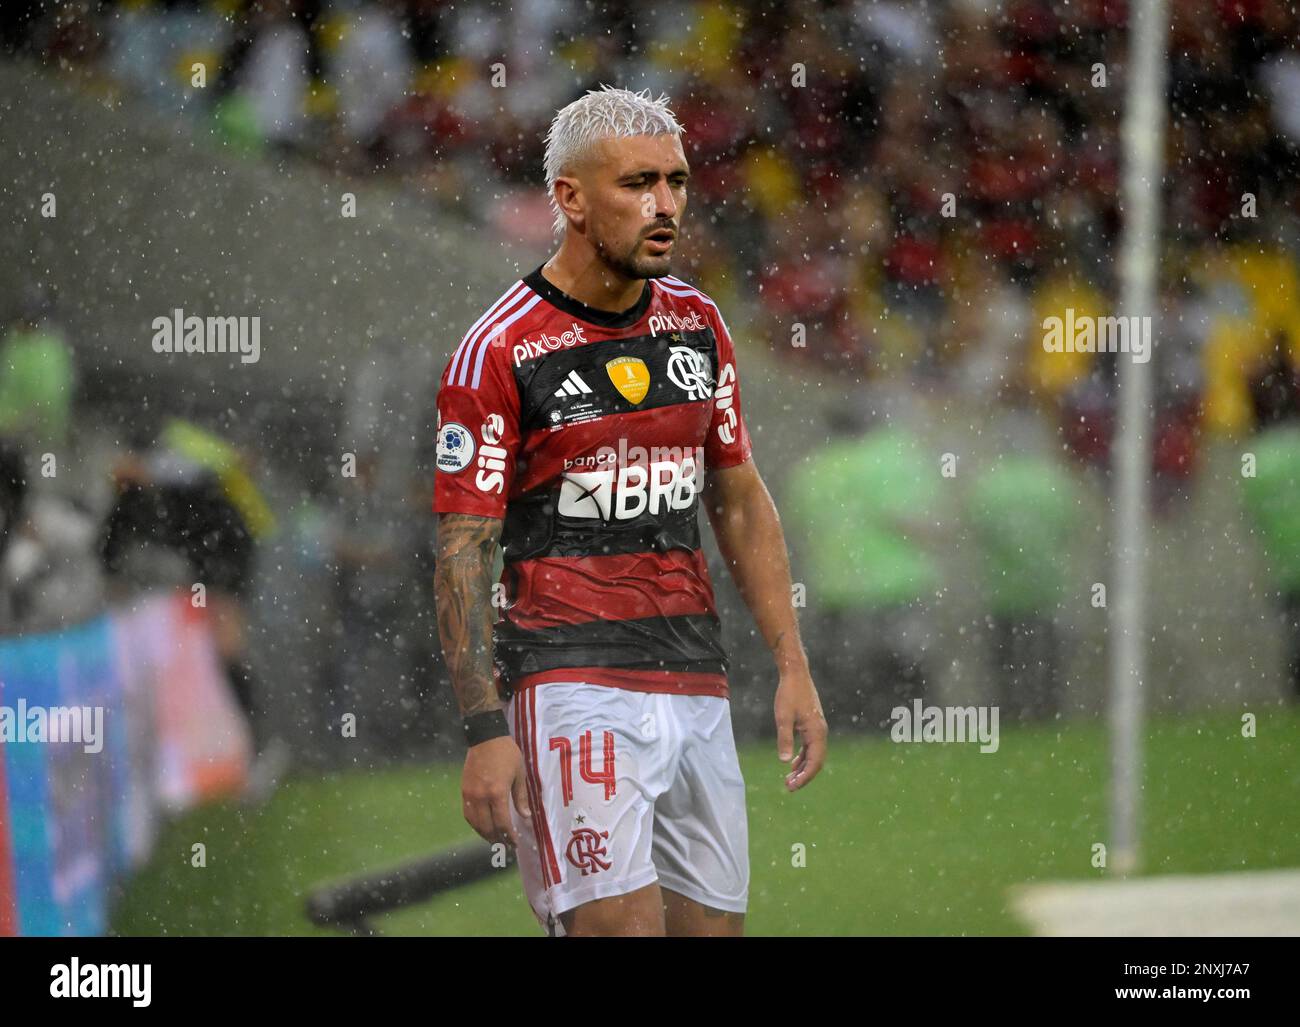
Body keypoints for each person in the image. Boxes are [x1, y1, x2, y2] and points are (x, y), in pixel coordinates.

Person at [432, 86, 827, 938]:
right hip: (570, 681)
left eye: (677, 182)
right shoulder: (499, 350)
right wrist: (481, 726)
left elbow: (740, 499)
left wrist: (790, 660)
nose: (666, 205)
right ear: (569, 198)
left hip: (694, 677)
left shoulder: (698, 323)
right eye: (638, 182)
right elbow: (466, 547)